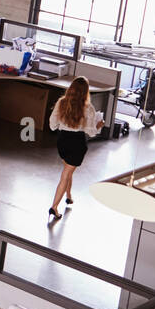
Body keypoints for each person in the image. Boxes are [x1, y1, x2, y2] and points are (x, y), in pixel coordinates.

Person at [47, 77, 103, 223]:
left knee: (68, 170)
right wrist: (99, 125)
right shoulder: (88, 108)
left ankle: (69, 196)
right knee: (65, 175)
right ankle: (54, 207)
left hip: (62, 141)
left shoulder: (61, 102)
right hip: (77, 143)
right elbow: (91, 132)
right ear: (86, 92)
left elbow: (52, 125)